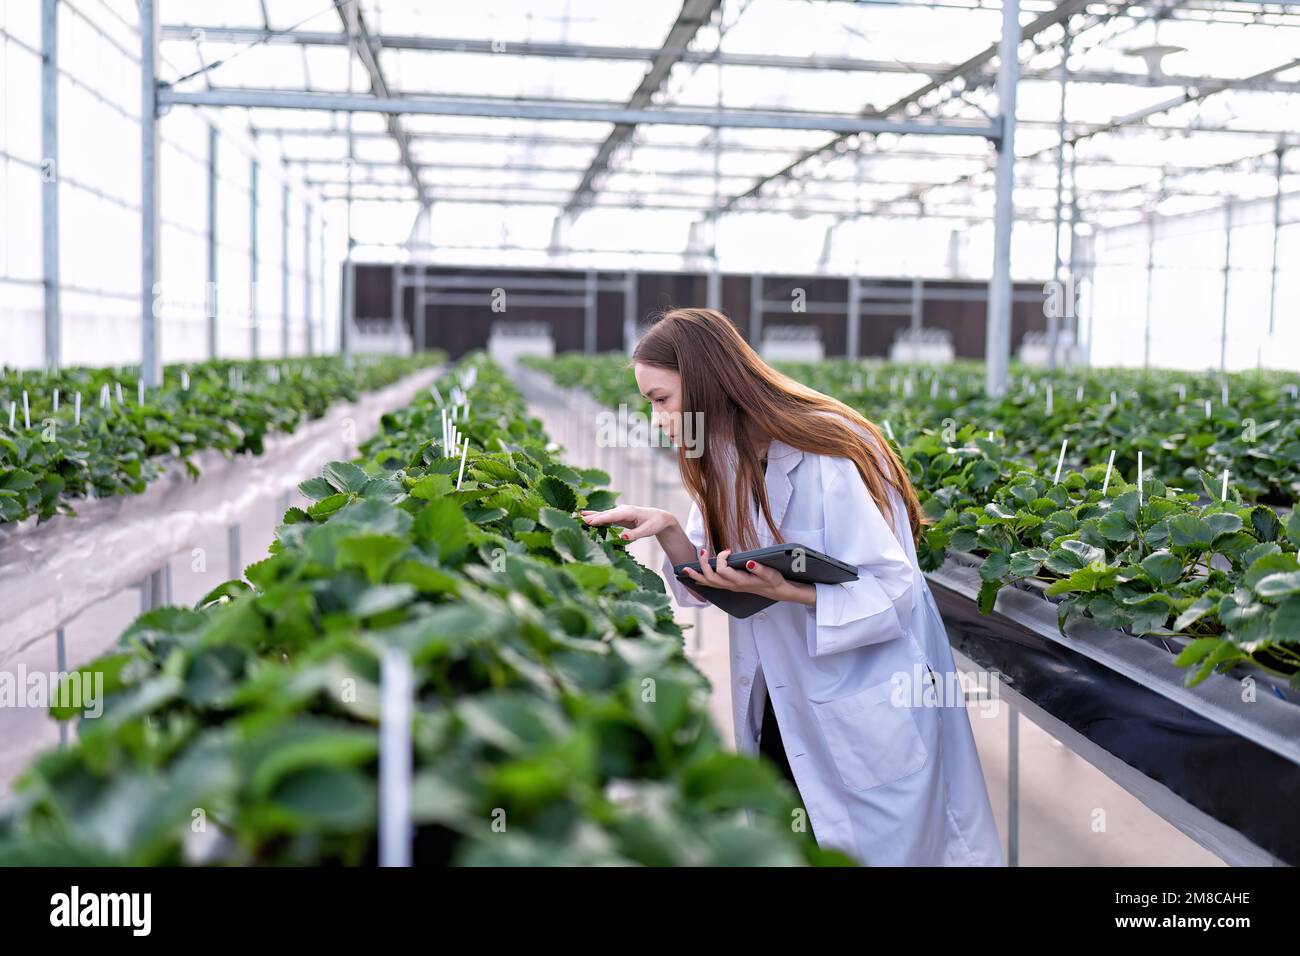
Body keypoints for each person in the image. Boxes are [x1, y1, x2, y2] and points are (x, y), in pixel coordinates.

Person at [581, 307, 1004, 866]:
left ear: (706, 380)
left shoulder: (829, 448)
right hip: (781, 695)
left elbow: (894, 593)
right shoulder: (723, 452)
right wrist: (667, 532)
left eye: (660, 399)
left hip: (863, 694)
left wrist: (787, 591)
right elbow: (713, 576)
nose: (657, 417)